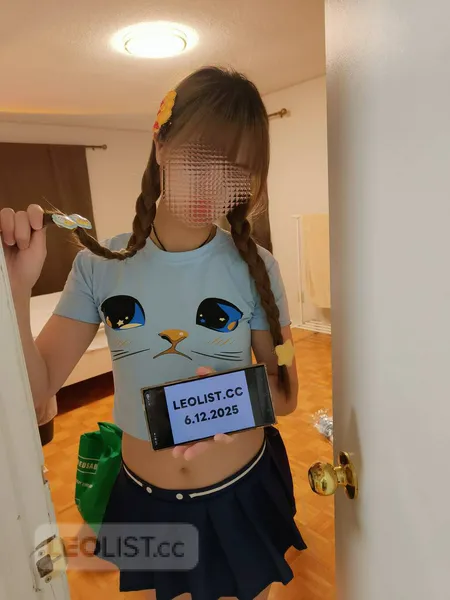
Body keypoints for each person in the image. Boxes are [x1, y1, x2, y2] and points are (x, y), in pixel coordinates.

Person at [0, 66, 306, 600]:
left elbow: (285, 397)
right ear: (161, 144)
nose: (214, 186)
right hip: (147, 504)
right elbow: (38, 386)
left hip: (244, 492)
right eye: (200, 159)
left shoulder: (259, 267)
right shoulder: (98, 268)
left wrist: (229, 403)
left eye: (235, 171)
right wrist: (18, 290)